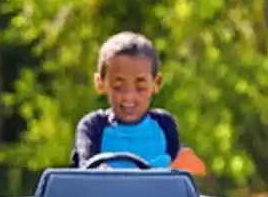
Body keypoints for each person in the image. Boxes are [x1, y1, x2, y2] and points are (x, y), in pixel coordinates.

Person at [71, 32, 203, 173]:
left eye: (140, 87)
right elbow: (85, 176)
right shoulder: (93, 127)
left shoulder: (165, 125)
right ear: (100, 83)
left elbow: (180, 176)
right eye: (118, 86)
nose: (129, 96)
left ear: (156, 84)